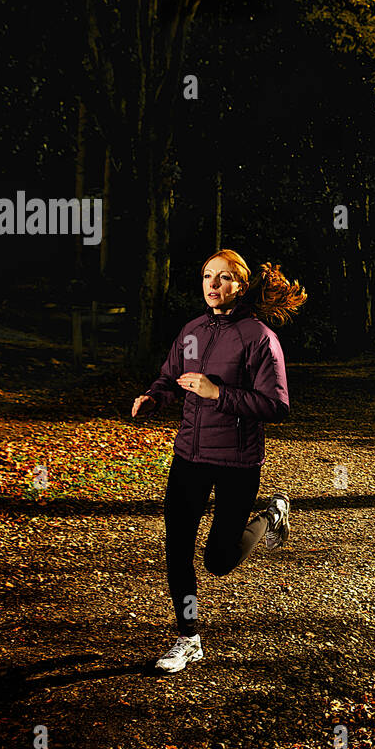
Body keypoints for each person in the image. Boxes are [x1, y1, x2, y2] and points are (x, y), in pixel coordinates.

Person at [131, 249, 307, 673]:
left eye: (224, 277)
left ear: (241, 286)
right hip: (189, 455)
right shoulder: (191, 330)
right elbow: (172, 376)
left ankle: (271, 515)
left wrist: (217, 394)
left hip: (237, 460)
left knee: (218, 560)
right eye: (208, 276)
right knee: (177, 548)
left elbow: (277, 406)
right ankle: (188, 638)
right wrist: (155, 397)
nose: (213, 284)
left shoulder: (260, 337)